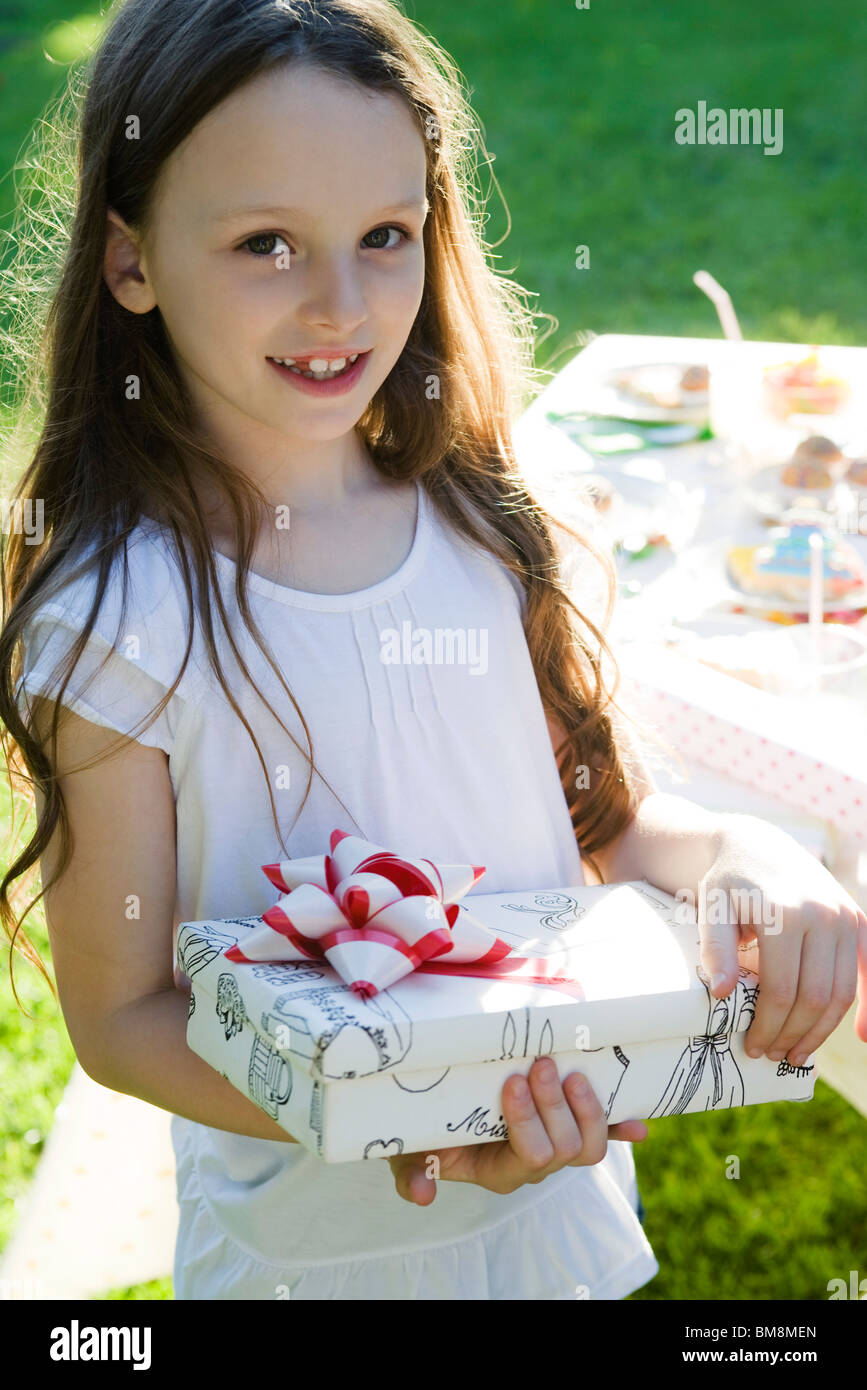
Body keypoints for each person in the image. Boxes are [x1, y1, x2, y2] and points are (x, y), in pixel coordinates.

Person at [2, 0, 864, 1302]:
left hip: (556, 1235)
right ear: (131, 260)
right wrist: (393, 1108)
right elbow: (121, 1018)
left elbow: (609, 827)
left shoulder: (485, 523)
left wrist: (748, 855)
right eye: (267, 243)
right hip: (305, 1265)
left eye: (384, 237)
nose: (340, 303)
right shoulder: (118, 620)